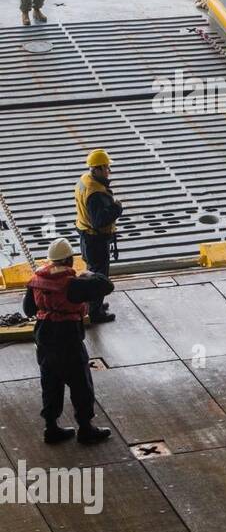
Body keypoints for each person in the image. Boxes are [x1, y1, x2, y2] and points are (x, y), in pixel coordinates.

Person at [21, 238, 114, 444]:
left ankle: (51, 427)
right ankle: (85, 428)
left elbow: (28, 309)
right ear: (70, 260)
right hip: (68, 337)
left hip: (44, 337)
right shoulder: (73, 284)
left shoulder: (36, 281)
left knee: (50, 382)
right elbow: (107, 285)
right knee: (80, 383)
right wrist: (91, 274)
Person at [74, 149, 122, 324]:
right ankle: (95, 312)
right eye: (107, 167)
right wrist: (117, 208)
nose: (109, 170)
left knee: (92, 271)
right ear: (99, 168)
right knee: (99, 275)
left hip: (85, 235)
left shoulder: (84, 181)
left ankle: (95, 304)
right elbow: (99, 221)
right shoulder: (96, 193)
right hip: (95, 239)